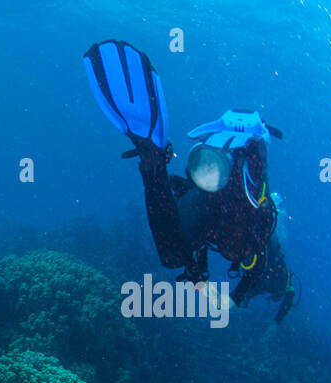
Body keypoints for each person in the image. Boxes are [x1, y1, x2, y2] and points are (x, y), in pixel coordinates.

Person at [84, 40, 298, 321]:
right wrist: (206, 283)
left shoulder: (260, 238)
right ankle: (153, 161)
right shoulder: (233, 212)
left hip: (234, 223)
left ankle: (286, 292)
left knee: (267, 276)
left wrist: (233, 297)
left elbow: (256, 270)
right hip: (218, 204)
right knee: (175, 256)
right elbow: (213, 257)